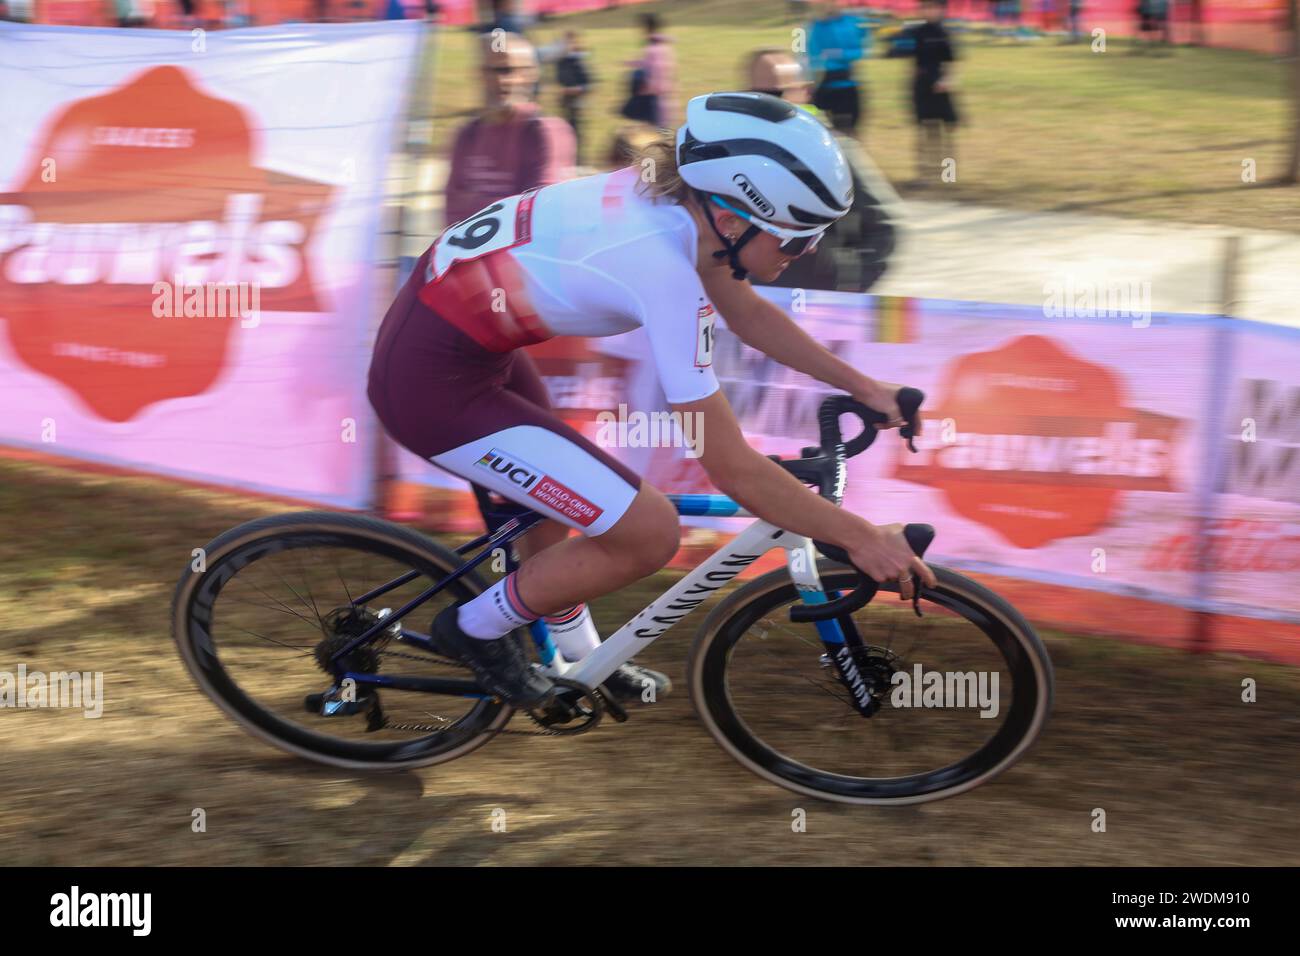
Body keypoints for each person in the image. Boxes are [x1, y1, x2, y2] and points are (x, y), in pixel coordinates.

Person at [368, 92, 936, 706]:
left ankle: (582, 658)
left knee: (565, 505)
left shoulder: (685, 213)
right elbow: (732, 467)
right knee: (647, 531)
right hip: (431, 383)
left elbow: (746, 312)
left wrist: (864, 387)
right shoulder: (661, 269)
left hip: (464, 348)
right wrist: (860, 537)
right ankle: (474, 628)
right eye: (797, 240)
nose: (811, 251)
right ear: (733, 218)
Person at [744, 49, 899, 292]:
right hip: (750, 303)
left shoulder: (834, 151)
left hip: (820, 305)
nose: (770, 104)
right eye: (761, 95)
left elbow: (884, 227)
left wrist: (844, 283)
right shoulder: (734, 151)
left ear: (804, 92)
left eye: (779, 94)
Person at [442, 32, 575, 226]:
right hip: (471, 244)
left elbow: (539, 211)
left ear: (531, 75)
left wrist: (475, 208)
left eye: (508, 70)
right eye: (492, 70)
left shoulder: (546, 132)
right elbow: (452, 211)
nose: (501, 80)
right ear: (479, 74)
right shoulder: (467, 135)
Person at [905, 0, 960, 185]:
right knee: (924, 131)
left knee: (946, 132)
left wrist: (946, 81)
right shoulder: (918, 32)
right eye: (926, 7)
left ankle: (949, 174)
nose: (929, 11)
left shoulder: (944, 33)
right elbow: (913, 60)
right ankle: (924, 175)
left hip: (940, 87)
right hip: (921, 86)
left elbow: (951, 62)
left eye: (933, 8)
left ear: (941, 10)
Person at [555, 30, 592, 165]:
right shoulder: (561, 62)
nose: (565, 46)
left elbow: (588, 84)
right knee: (565, 132)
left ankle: (579, 161)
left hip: (577, 104)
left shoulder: (579, 62)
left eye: (569, 43)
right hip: (565, 103)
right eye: (564, 43)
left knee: (576, 133)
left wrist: (575, 90)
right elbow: (560, 80)